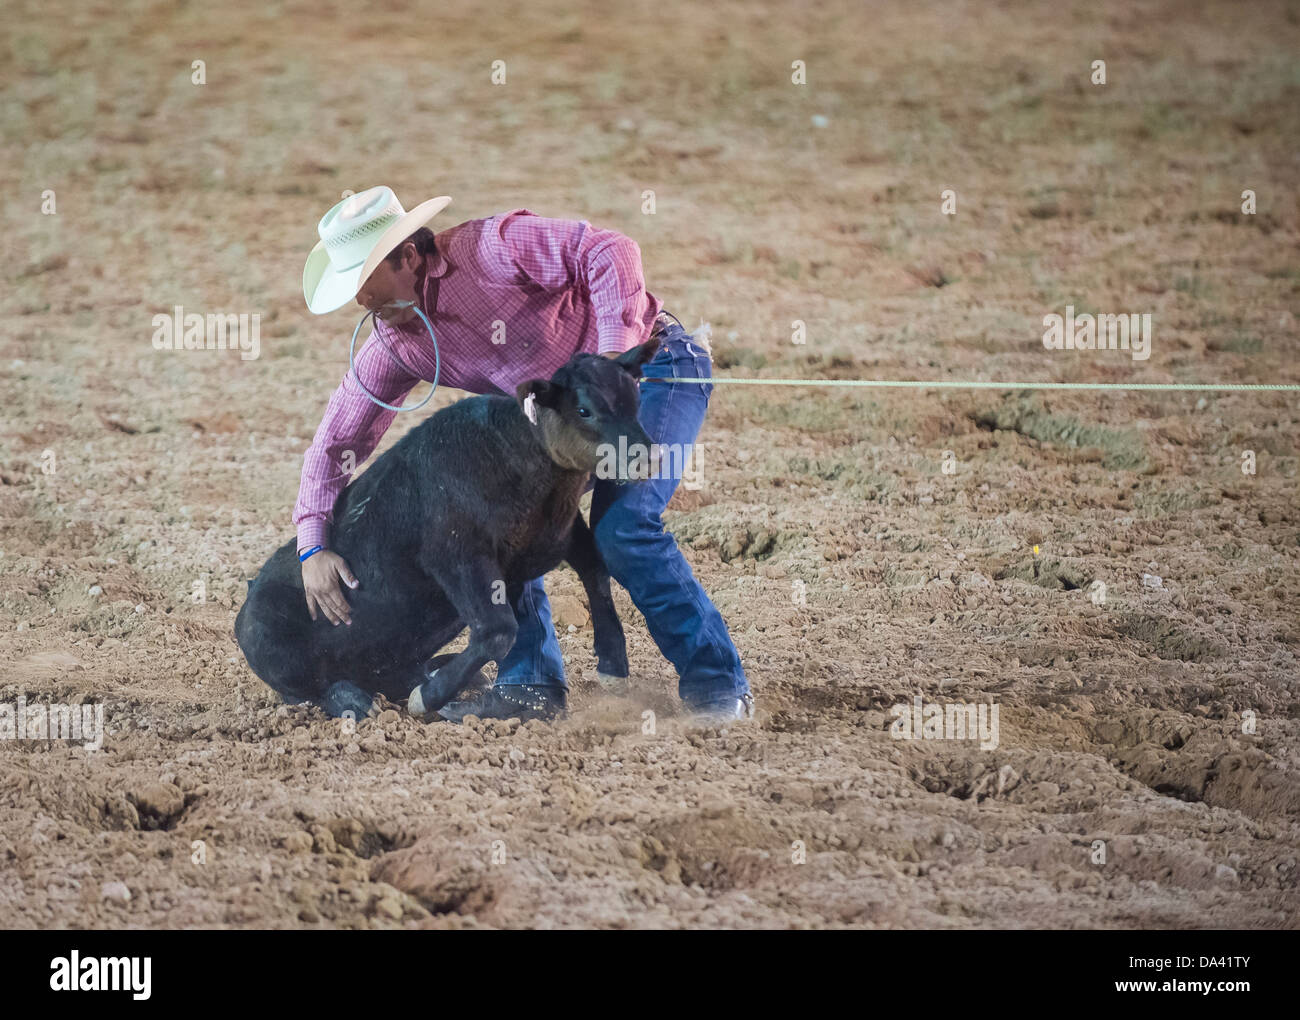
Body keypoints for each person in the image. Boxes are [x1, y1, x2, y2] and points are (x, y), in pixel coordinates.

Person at [294, 185, 754, 723]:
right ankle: (530, 684)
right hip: (561, 426)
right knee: (496, 521)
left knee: (622, 528)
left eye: (363, 281)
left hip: (651, 373)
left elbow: (611, 251)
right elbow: (336, 442)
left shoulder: (493, 247)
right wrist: (310, 546)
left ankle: (719, 686)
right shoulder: (396, 342)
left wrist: (610, 362)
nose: (360, 301)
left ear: (409, 256)